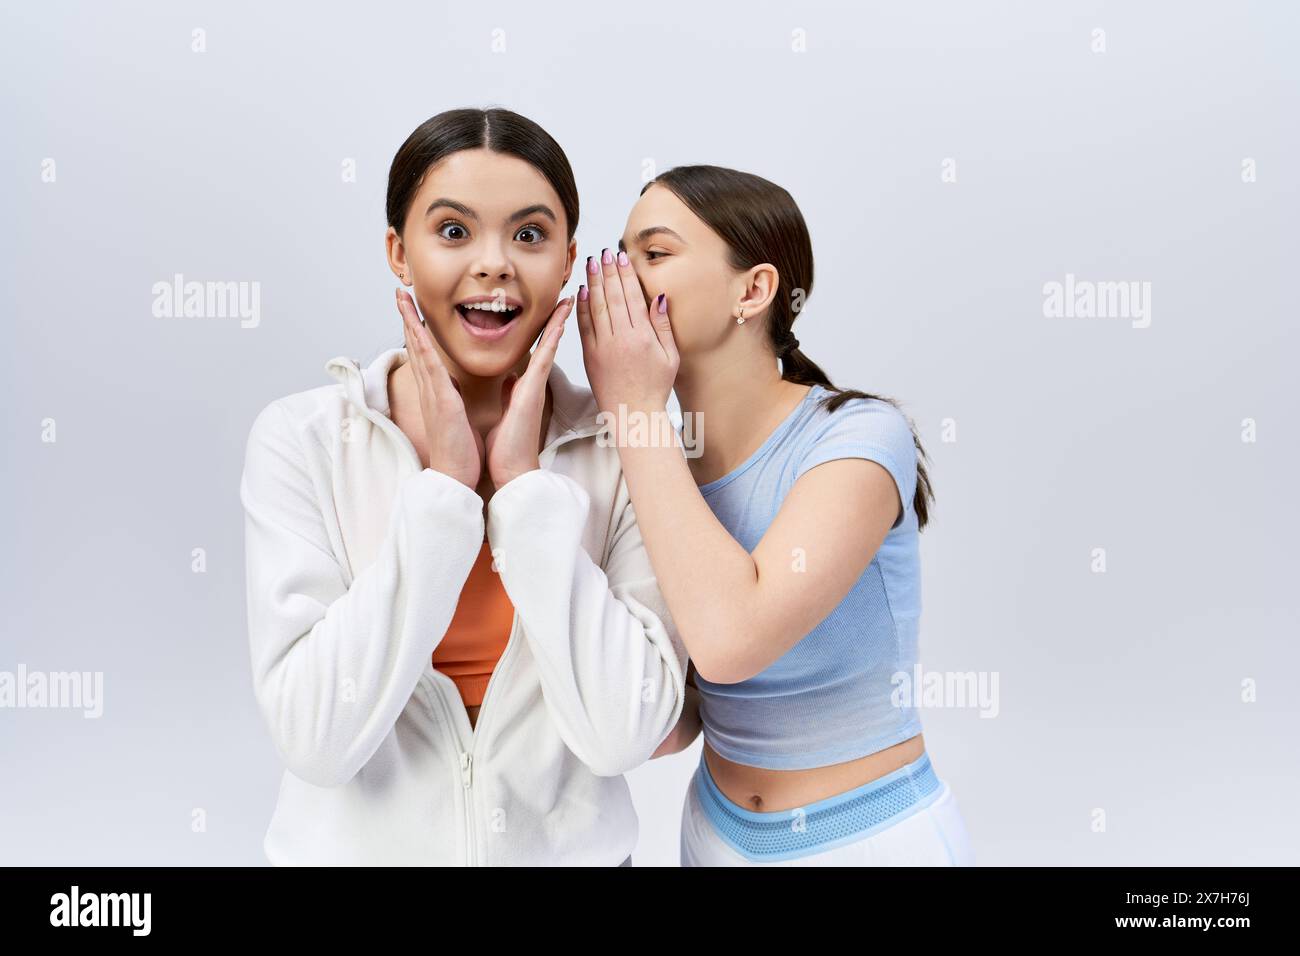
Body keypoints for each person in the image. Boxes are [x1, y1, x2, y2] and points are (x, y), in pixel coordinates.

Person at [238, 108, 687, 865]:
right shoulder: (302, 439)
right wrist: (446, 494)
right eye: (453, 232)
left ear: (570, 258)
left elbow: (623, 734)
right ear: (397, 253)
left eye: (530, 235)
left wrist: (522, 489)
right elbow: (315, 739)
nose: (494, 264)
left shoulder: (625, 449)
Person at [579, 164, 976, 865]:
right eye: (619, 251)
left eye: (655, 253)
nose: (618, 276)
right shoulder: (655, 462)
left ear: (755, 290)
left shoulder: (857, 436)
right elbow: (674, 719)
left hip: (868, 840)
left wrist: (635, 408)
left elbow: (732, 642)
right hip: (714, 833)